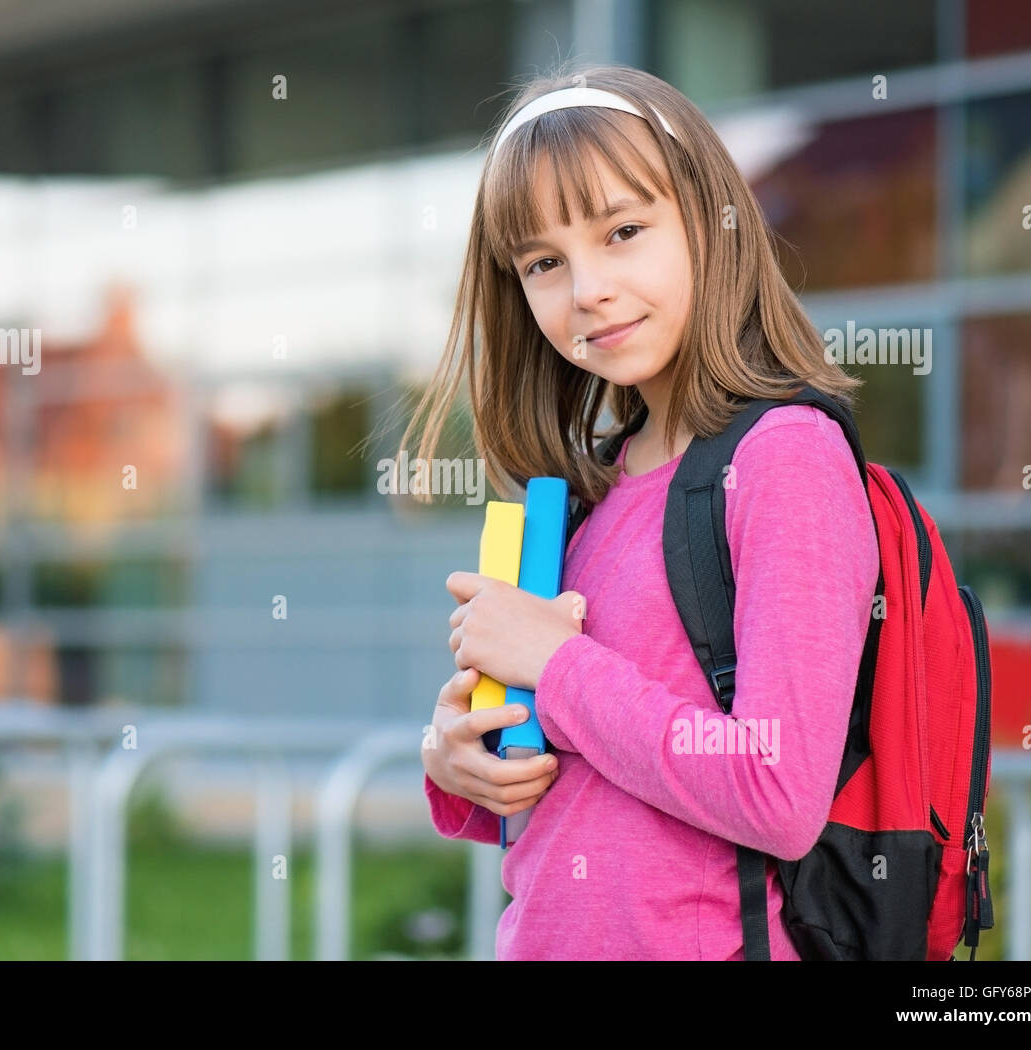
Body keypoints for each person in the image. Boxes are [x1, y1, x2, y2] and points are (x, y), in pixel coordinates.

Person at [400, 64, 880, 960]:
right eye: (544, 262)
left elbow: (776, 792)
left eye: (623, 231)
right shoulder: (591, 491)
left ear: (710, 221)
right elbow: (581, 790)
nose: (586, 289)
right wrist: (459, 759)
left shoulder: (785, 458)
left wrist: (559, 664)